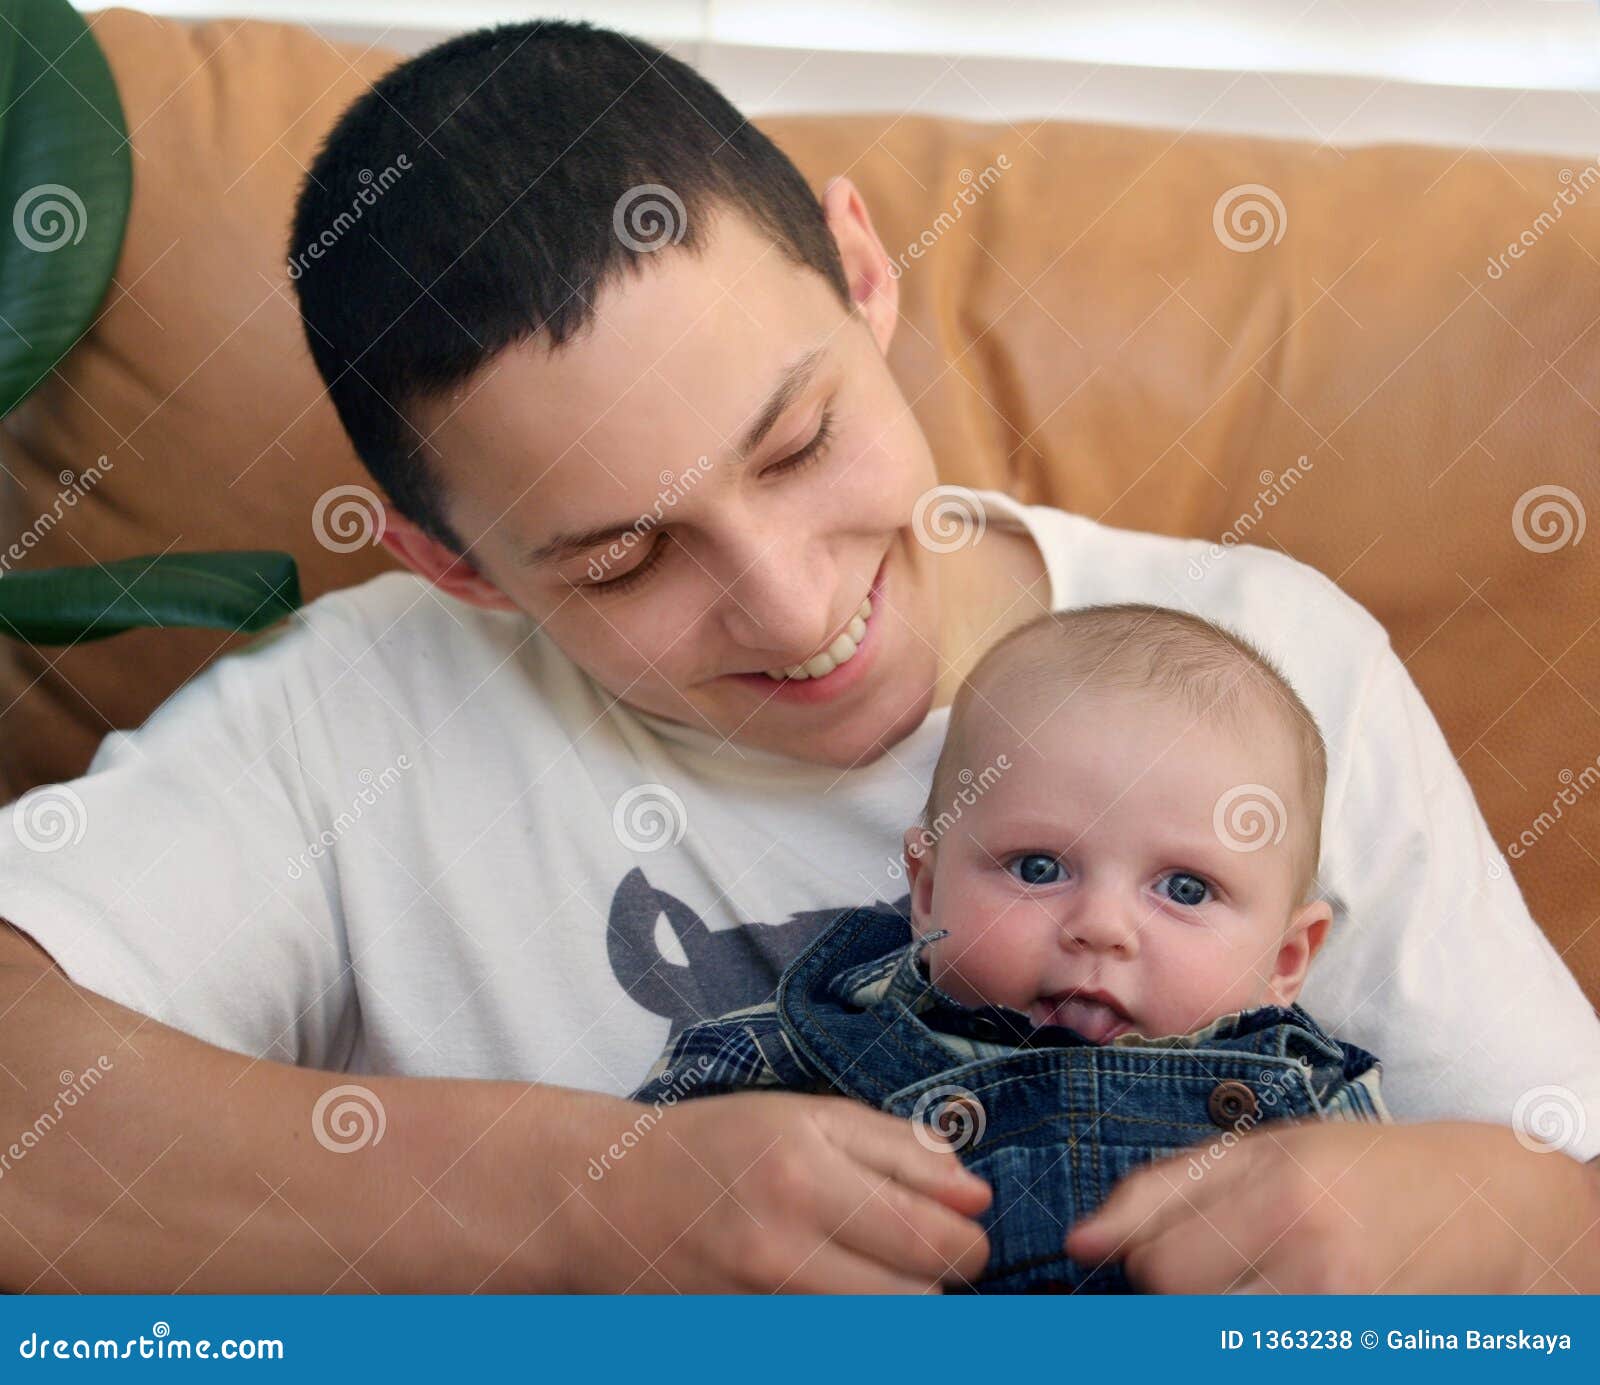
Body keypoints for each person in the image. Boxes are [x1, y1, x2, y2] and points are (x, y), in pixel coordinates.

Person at [0, 20, 1595, 1294]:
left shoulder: (1264, 656)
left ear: (862, 268)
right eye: (623, 557)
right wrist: (587, 1207)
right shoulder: (347, 717)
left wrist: (1478, 1228)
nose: (787, 602)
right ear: (452, 566)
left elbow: (1573, 1205)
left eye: (801, 440)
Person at [633, 604, 1390, 1290]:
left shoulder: (1309, 1100)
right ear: (926, 891)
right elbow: (660, 1195)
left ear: (1287, 960)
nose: (1102, 925)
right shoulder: (823, 1041)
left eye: (1185, 890)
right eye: (1038, 868)